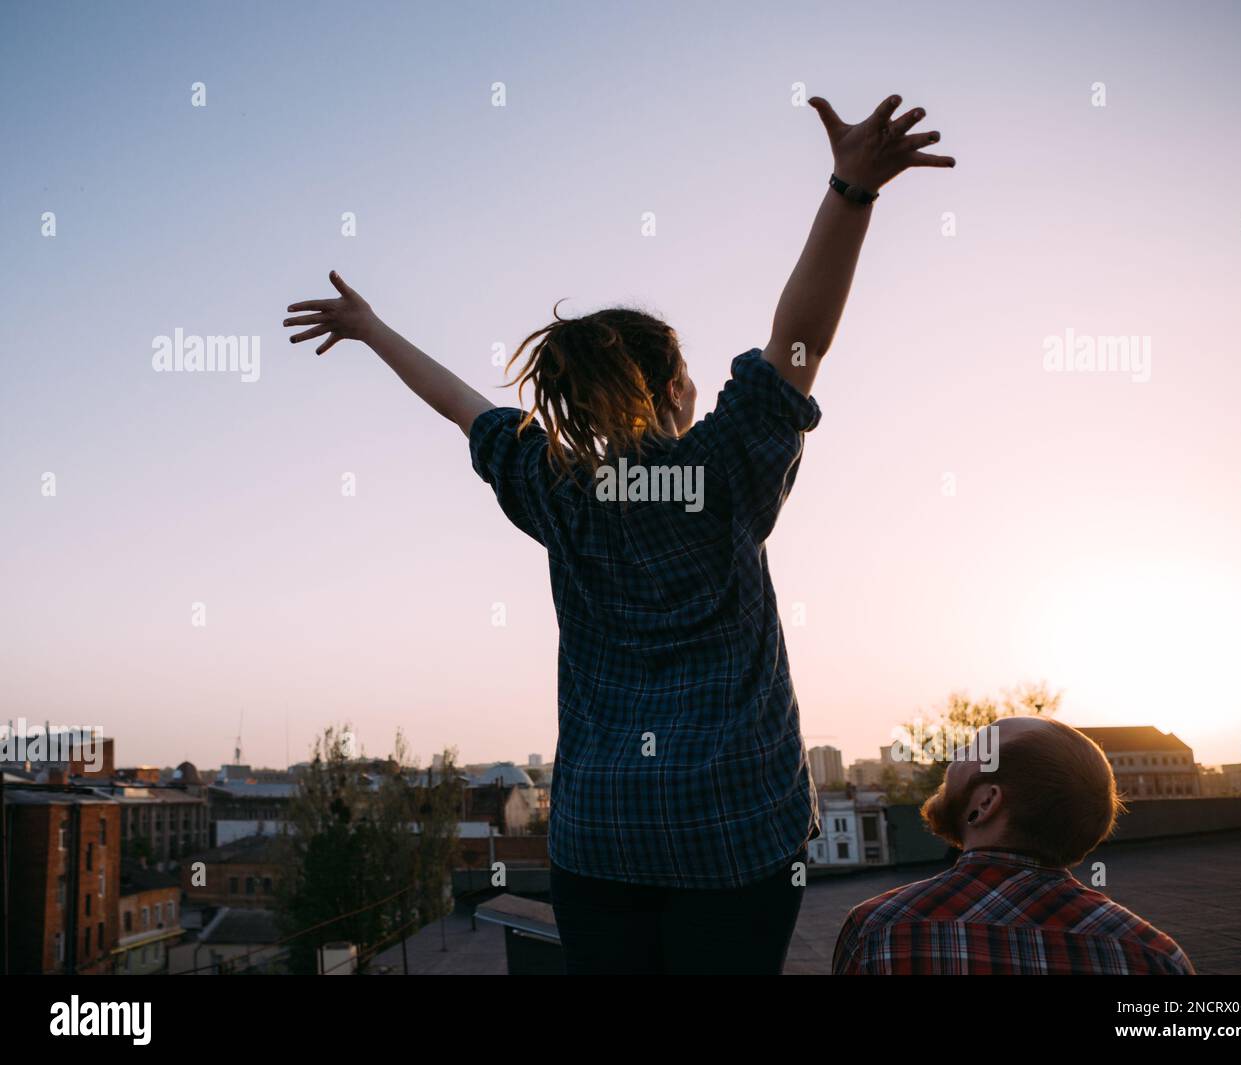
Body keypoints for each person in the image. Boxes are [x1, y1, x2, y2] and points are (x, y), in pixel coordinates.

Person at [283, 93, 954, 975]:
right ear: (674, 388)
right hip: (734, 834)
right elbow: (799, 343)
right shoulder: (721, 476)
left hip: (600, 836)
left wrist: (371, 330)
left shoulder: (556, 492)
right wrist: (850, 190)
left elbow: (461, 405)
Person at [833, 717, 1196, 975]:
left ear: (986, 803)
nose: (957, 754)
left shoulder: (881, 931)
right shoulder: (1154, 957)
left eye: (976, 749)